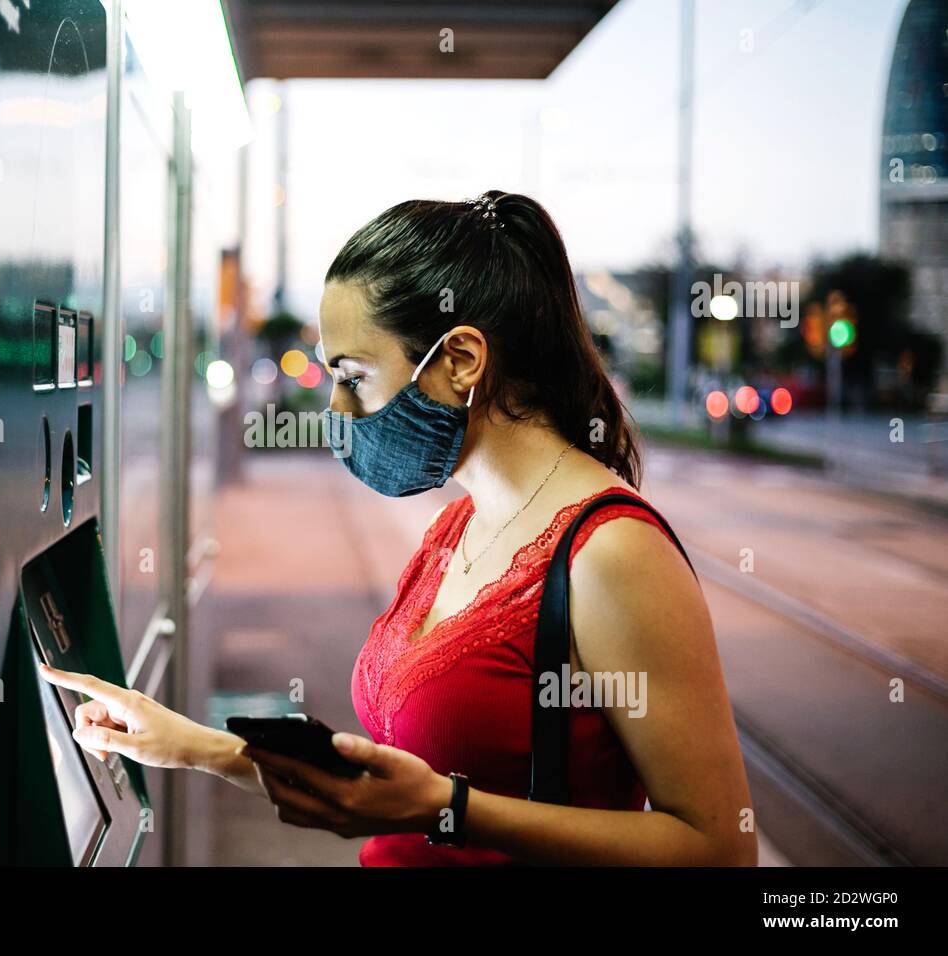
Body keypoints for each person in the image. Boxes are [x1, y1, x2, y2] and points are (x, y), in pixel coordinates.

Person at [43, 191, 757, 866]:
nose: (336, 410)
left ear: (460, 361)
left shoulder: (613, 551)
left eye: (353, 376)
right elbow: (387, 782)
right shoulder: (456, 526)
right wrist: (196, 747)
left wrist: (449, 809)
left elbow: (719, 848)